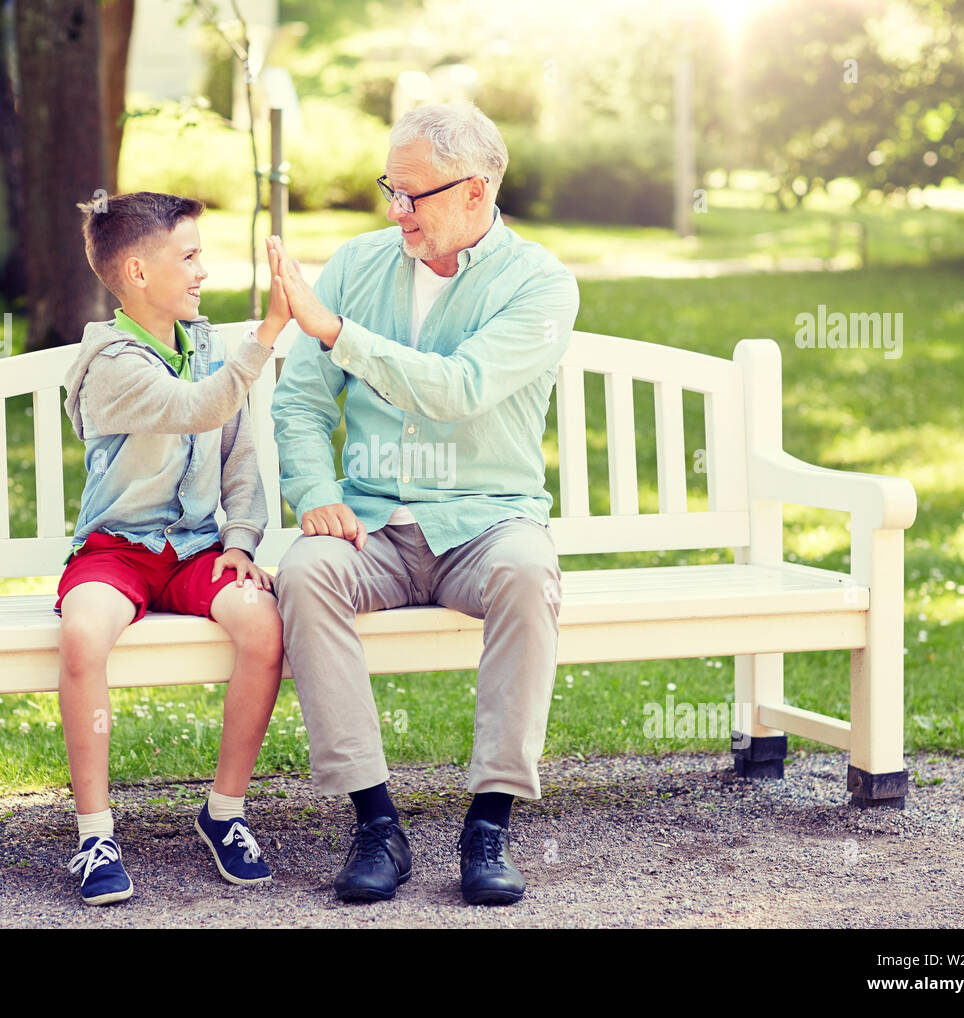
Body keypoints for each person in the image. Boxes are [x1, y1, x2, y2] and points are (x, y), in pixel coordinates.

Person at [269, 102, 580, 906]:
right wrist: (315, 491)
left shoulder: (540, 283)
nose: (395, 210)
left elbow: (459, 390)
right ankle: (376, 822)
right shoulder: (357, 264)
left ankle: (490, 825)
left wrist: (339, 333)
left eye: (414, 194)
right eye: (389, 190)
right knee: (303, 574)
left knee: (526, 575)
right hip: (371, 524)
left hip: (486, 522)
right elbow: (300, 401)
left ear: (475, 191)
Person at [56, 191, 287, 904]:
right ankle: (95, 834)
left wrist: (242, 541)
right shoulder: (112, 363)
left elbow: (240, 455)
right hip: (116, 550)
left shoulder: (208, 347)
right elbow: (198, 408)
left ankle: (224, 812)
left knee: (263, 627)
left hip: (195, 549)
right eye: (187, 257)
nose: (202, 272)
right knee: (83, 635)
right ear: (136, 273)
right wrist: (269, 334)